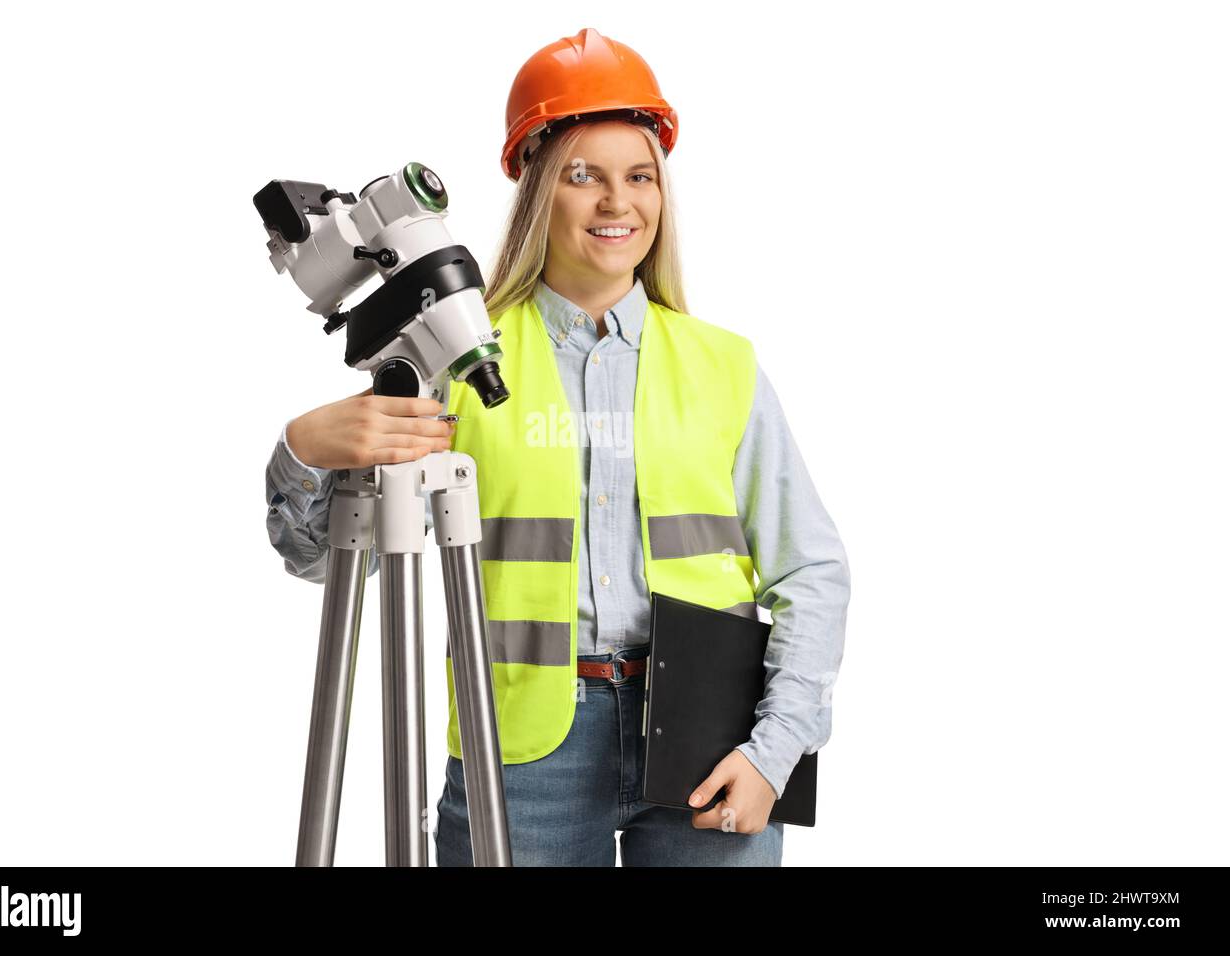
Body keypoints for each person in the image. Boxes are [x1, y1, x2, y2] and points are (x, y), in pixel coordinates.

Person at [264, 27, 851, 867]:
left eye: (639, 176)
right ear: (540, 189)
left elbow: (813, 570)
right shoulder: (456, 361)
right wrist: (304, 452)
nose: (618, 203)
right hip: (521, 748)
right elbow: (325, 562)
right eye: (585, 175)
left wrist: (776, 748)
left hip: (710, 741)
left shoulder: (725, 366)